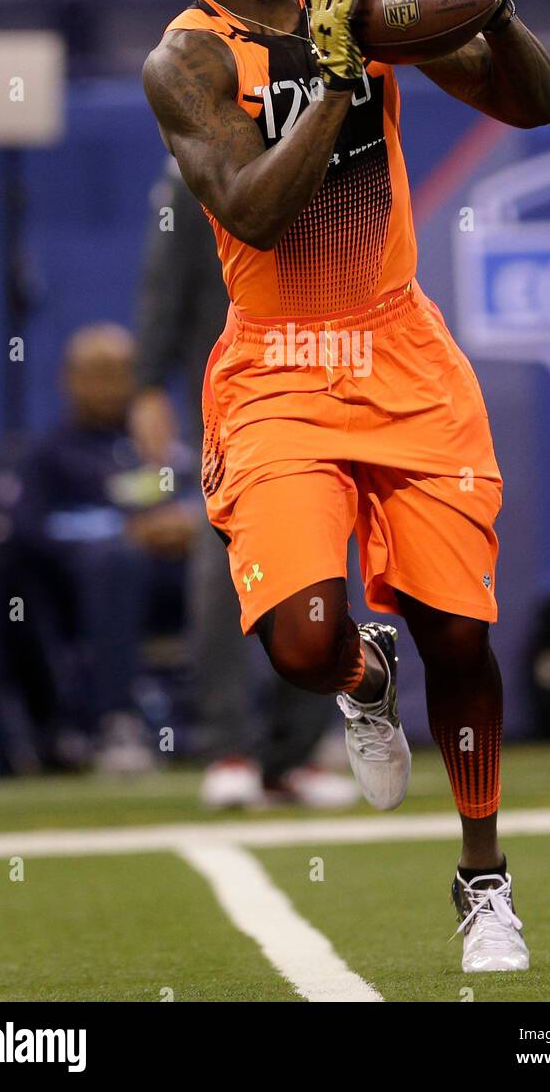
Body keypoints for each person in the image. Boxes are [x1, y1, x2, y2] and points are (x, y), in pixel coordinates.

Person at [142, 0, 550, 972]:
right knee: (303, 642)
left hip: (401, 353)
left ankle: (483, 882)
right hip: (280, 368)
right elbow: (255, 209)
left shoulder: (361, 3)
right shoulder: (185, 60)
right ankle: (360, 679)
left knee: (461, 635)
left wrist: (492, 11)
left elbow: (534, 104)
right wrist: (333, 80)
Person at [131, 156, 359, 808]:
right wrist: (148, 381)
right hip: (235, 397)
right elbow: (163, 286)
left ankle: (293, 757)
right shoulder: (194, 168)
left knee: (319, 575)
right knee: (224, 578)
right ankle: (229, 748)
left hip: (322, 390)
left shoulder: (330, 152)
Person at [4, 323, 198, 772]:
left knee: (232, 557)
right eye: (97, 372)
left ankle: (251, 718)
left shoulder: (159, 446)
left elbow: (200, 496)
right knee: (117, 560)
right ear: (68, 380)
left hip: (169, 579)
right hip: (86, 588)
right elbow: (27, 530)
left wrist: (189, 523)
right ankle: (116, 722)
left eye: (121, 372)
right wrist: (122, 531)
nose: (111, 384)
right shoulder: (50, 453)